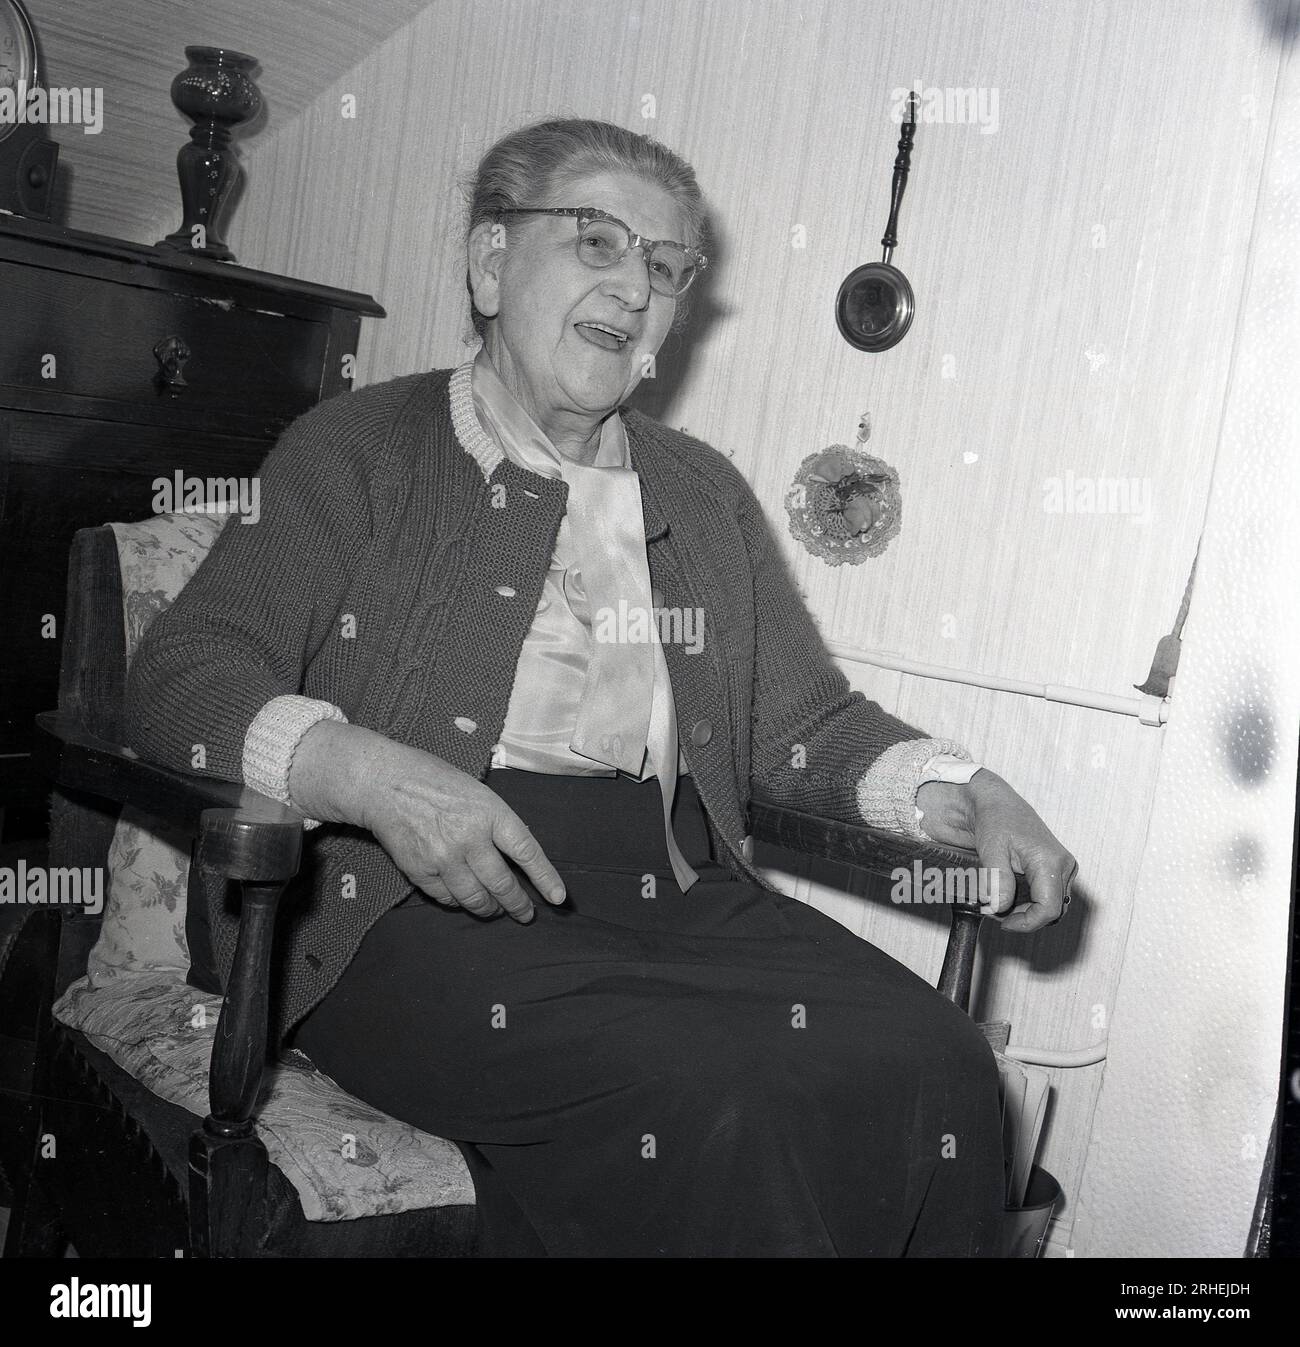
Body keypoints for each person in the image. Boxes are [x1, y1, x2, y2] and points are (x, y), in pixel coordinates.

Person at [124, 117, 1077, 1257]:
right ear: (488, 263)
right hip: (396, 902)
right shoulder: (357, 448)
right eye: (596, 243)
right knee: (712, 1096)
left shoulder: (699, 491)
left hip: (672, 891)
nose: (635, 289)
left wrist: (963, 791)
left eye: (667, 269)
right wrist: (368, 775)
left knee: (942, 1067)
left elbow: (800, 726)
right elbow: (185, 672)